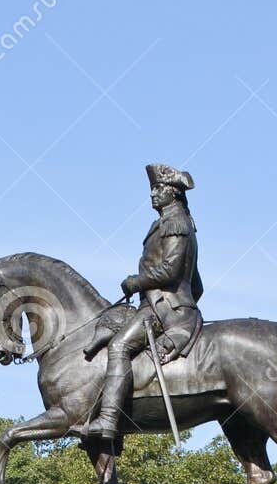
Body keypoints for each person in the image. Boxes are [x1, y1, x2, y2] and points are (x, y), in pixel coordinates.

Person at [84, 163, 203, 440]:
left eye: (158, 188)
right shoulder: (170, 224)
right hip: (164, 304)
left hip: (163, 309)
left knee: (119, 346)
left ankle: (108, 419)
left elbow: (170, 271)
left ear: (173, 193)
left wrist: (135, 282)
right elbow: (196, 284)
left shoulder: (175, 224)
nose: (152, 194)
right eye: (152, 189)